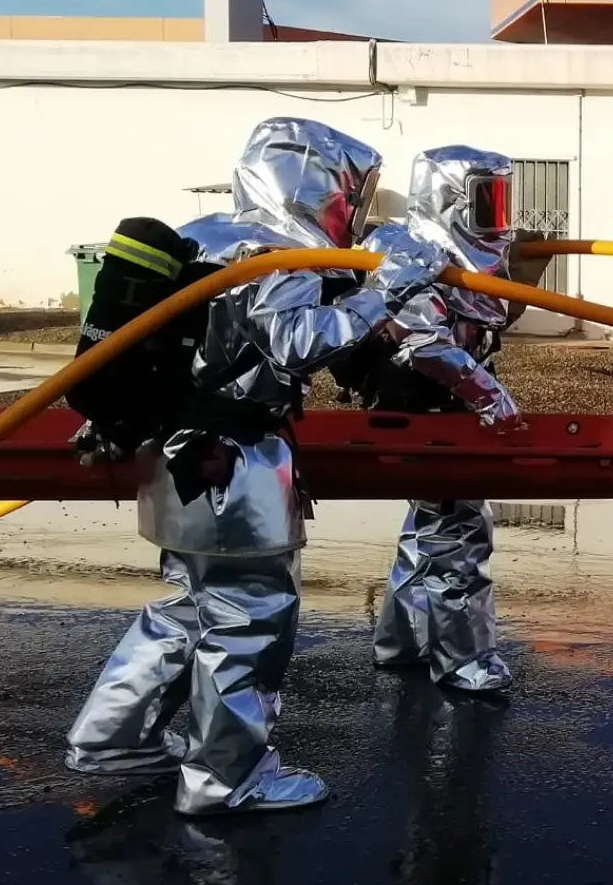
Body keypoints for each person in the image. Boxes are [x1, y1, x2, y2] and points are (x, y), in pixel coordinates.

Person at [64, 117, 448, 815]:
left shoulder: (207, 235)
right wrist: (387, 288)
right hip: (233, 464)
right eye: (349, 193)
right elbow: (298, 343)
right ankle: (226, 778)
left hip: (177, 455)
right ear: (315, 182)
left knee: (185, 613)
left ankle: (112, 738)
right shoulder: (279, 253)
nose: (351, 209)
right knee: (249, 619)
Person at [334, 147, 525, 694]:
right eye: (487, 198)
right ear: (451, 197)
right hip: (427, 409)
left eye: (502, 197)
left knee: (427, 531)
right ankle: (464, 662)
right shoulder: (411, 251)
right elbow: (423, 343)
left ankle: (402, 643)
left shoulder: (453, 251)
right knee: (460, 535)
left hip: (433, 407)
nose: (497, 214)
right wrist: (491, 398)